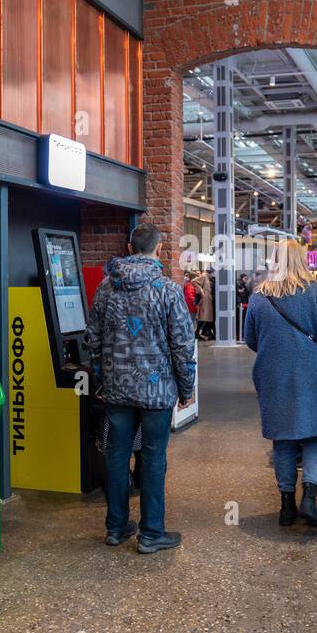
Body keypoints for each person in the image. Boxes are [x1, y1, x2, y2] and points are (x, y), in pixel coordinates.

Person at [86, 223, 196, 553]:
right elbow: (181, 345)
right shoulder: (168, 290)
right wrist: (186, 388)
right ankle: (150, 534)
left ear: (131, 249)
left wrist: (101, 378)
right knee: (153, 459)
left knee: (117, 456)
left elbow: (93, 339)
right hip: (156, 392)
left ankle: (116, 527)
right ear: (159, 250)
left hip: (117, 390)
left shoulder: (106, 288)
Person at [242, 240, 317, 528]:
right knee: (314, 436)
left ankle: (286, 506)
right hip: (313, 373)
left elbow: (250, 338)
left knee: (283, 439)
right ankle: (309, 497)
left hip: (273, 375)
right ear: (302, 259)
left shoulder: (260, 297)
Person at [195, 268, 215, 340]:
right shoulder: (204, 276)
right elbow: (194, 281)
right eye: (213, 273)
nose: (213, 275)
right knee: (203, 317)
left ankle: (199, 333)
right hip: (204, 300)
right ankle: (197, 333)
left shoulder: (208, 278)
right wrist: (201, 291)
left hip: (208, 300)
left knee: (206, 317)